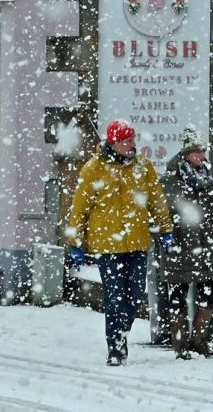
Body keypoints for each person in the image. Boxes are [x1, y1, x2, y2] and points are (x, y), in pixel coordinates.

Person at [67, 119, 174, 366]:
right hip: (107, 245)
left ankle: (121, 331)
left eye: (133, 139)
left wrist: (165, 229)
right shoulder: (94, 169)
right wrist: (76, 241)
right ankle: (115, 347)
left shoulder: (143, 167)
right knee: (114, 297)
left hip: (137, 242)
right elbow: (80, 207)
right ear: (113, 143)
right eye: (126, 141)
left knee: (135, 296)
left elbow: (156, 200)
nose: (132, 144)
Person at [160, 125, 213, 360]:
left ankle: (200, 340)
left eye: (203, 151)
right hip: (179, 247)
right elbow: (162, 212)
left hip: (206, 246)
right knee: (177, 296)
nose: (202, 156)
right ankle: (180, 343)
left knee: (207, 295)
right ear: (186, 154)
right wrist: (167, 235)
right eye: (197, 152)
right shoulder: (171, 179)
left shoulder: (209, 177)